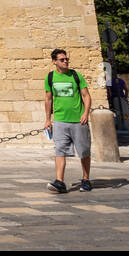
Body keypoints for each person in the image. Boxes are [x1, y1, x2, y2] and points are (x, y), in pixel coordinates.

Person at [44, 49, 92, 193]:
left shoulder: (76, 75)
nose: (66, 61)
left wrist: (85, 113)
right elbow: (48, 98)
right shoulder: (50, 77)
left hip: (79, 121)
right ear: (54, 62)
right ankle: (60, 181)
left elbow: (86, 96)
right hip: (60, 121)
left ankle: (86, 179)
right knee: (60, 151)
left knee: (84, 151)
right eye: (62, 60)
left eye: (66, 59)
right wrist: (48, 119)